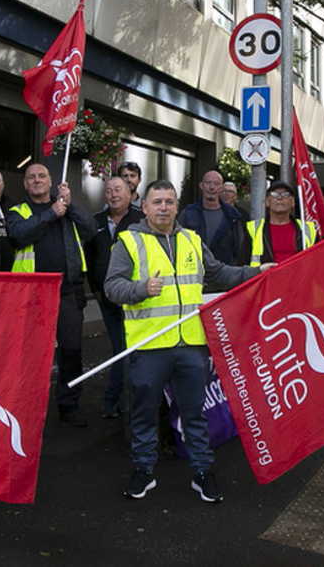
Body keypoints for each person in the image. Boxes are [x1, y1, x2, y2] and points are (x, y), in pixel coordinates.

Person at [105, 180, 270, 503]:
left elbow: (220, 273)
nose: (163, 207)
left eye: (169, 201)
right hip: (149, 346)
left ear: (177, 206)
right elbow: (112, 287)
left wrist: (258, 271)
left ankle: (202, 472)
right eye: (157, 202)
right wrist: (140, 289)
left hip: (191, 345)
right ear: (146, 207)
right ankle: (143, 470)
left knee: (195, 413)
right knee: (144, 412)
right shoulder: (128, 241)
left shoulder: (192, 240)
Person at [7, 163, 97, 426]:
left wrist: (70, 205)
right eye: (31, 177)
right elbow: (17, 236)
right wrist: (50, 214)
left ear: (51, 182)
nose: (36, 180)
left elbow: (91, 231)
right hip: (31, 296)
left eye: (42, 176)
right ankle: (29, 409)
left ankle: (69, 406)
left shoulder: (67, 209)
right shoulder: (18, 211)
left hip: (68, 293)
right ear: (25, 184)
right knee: (32, 356)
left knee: (70, 352)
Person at [85, 176, 145, 418]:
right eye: (108, 191)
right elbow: (88, 258)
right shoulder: (95, 222)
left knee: (132, 350)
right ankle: (117, 401)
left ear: (129, 193)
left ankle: (123, 400)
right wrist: (96, 290)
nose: (113, 195)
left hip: (135, 297)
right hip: (108, 300)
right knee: (120, 348)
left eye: (118, 190)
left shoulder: (141, 220)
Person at [240, 181, 318, 266]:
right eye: (274, 194)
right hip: (267, 278)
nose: (280, 198)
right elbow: (243, 264)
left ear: (292, 202)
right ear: (267, 202)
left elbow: (319, 261)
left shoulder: (308, 229)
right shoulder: (253, 229)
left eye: (285, 194)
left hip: (299, 278)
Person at [180, 170, 247, 268]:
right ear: (201, 186)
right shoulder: (188, 213)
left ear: (221, 188)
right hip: (194, 272)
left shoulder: (232, 216)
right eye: (208, 183)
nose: (212, 187)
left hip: (223, 276)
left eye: (216, 184)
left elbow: (240, 250)